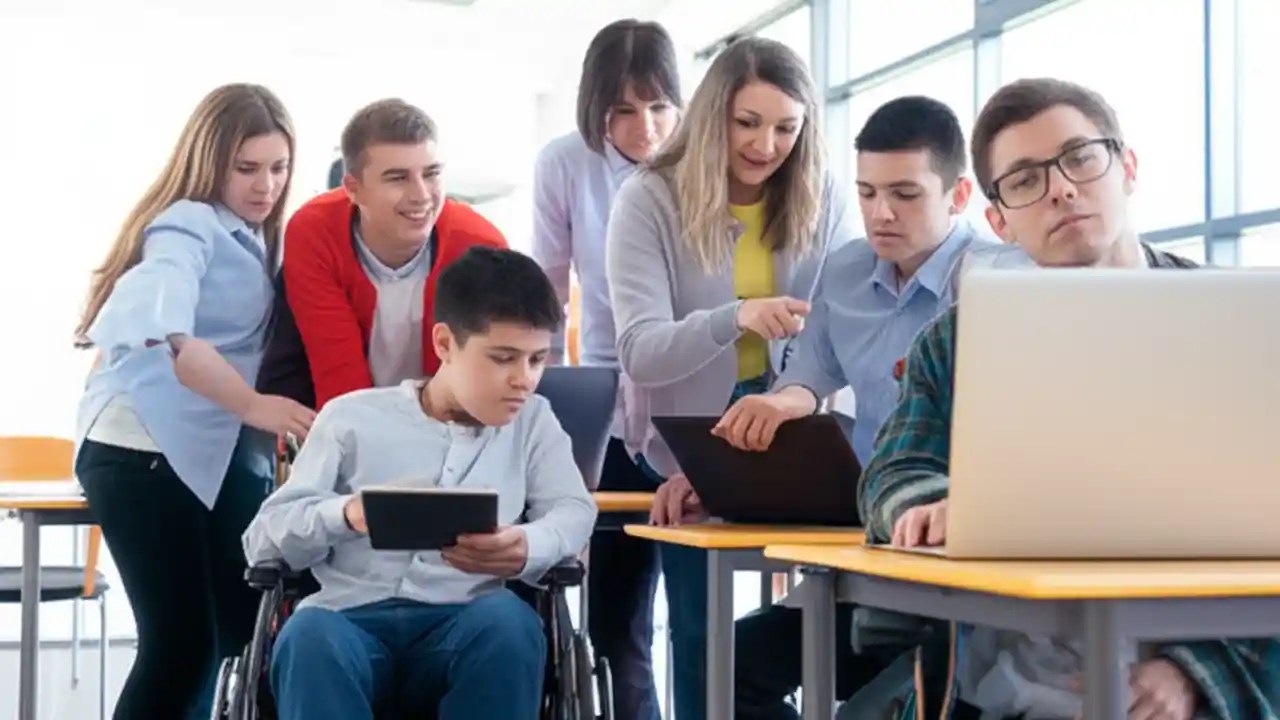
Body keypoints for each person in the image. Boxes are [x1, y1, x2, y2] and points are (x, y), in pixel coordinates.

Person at [861, 77, 1280, 720]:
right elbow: (892, 472)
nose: (1061, 187)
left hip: (1205, 656)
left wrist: (1199, 671)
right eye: (1026, 179)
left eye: (1081, 158)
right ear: (999, 219)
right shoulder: (958, 340)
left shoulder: (1243, 325)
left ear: (1127, 167)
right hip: (1011, 665)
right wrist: (928, 506)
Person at [713, 95, 999, 719]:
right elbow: (807, 378)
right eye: (867, 193)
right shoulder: (843, 271)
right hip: (869, 547)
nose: (880, 214)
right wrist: (780, 404)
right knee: (731, 660)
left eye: (904, 193)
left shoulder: (1000, 285)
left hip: (961, 568)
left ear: (958, 194)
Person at [606, 36, 855, 719]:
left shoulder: (823, 192)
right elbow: (641, 352)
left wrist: (785, 399)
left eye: (786, 127)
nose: (766, 145)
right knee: (699, 628)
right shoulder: (648, 198)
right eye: (748, 123)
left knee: (832, 616)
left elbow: (833, 331)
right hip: (690, 435)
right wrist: (735, 317)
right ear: (714, 114)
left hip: (797, 416)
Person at [243, 246, 598, 719]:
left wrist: (529, 545)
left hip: (466, 621)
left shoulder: (533, 422)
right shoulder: (351, 417)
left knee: (511, 624)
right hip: (349, 621)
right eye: (503, 358)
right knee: (308, 635)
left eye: (537, 360)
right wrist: (347, 514)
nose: (524, 380)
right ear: (445, 343)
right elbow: (262, 542)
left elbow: (574, 509)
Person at [72, 83, 316, 719]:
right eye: (247, 168)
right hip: (138, 449)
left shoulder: (258, 237)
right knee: (179, 644)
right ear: (210, 163)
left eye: (279, 167)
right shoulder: (186, 224)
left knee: (239, 636)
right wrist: (254, 405)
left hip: (207, 455)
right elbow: (176, 337)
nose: (266, 184)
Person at [531, 18, 682, 720]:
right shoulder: (566, 163)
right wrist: (548, 419)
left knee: (694, 616)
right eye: (622, 110)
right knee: (616, 622)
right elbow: (547, 292)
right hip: (609, 406)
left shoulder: (700, 164)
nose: (643, 127)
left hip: (692, 407)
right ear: (595, 110)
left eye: (657, 106)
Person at [256, 98, 507, 410]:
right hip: (341, 419)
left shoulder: (481, 247)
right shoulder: (314, 231)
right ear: (353, 188)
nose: (421, 195)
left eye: (431, 174)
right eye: (398, 177)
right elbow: (339, 379)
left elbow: (476, 382)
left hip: (445, 427)